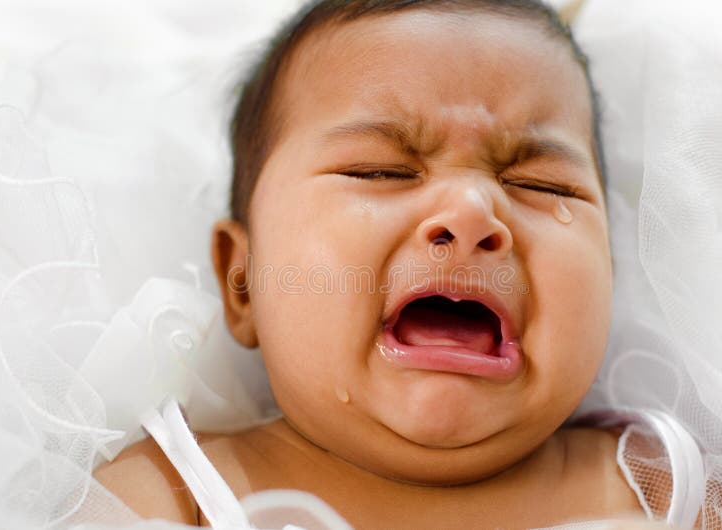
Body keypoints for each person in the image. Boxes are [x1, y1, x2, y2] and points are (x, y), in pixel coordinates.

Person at [94, 1, 674, 528]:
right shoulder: (174, 493)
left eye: (539, 184)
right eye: (380, 171)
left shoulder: (672, 488)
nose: (471, 213)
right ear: (244, 282)